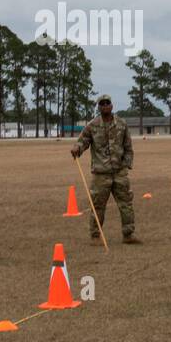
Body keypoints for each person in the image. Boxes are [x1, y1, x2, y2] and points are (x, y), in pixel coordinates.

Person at [70, 94, 140, 244]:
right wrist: (77, 148)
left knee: (126, 204)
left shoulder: (122, 124)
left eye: (108, 103)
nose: (105, 105)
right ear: (99, 107)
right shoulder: (92, 125)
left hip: (119, 172)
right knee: (97, 206)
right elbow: (83, 141)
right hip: (101, 174)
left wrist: (127, 164)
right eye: (102, 103)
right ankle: (95, 236)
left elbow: (128, 147)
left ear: (112, 105)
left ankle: (128, 235)